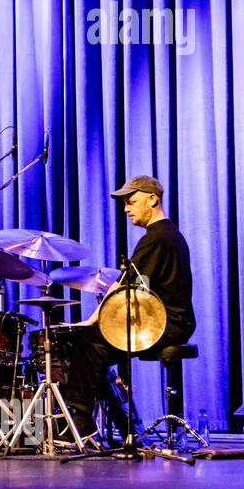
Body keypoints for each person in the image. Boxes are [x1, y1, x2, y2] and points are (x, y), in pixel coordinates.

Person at [65, 176, 195, 439]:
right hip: (173, 323)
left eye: (131, 201)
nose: (126, 208)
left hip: (166, 325)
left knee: (87, 343)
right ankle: (124, 426)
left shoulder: (157, 238)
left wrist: (91, 321)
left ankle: (79, 425)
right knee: (96, 347)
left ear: (153, 199)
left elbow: (125, 288)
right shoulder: (168, 235)